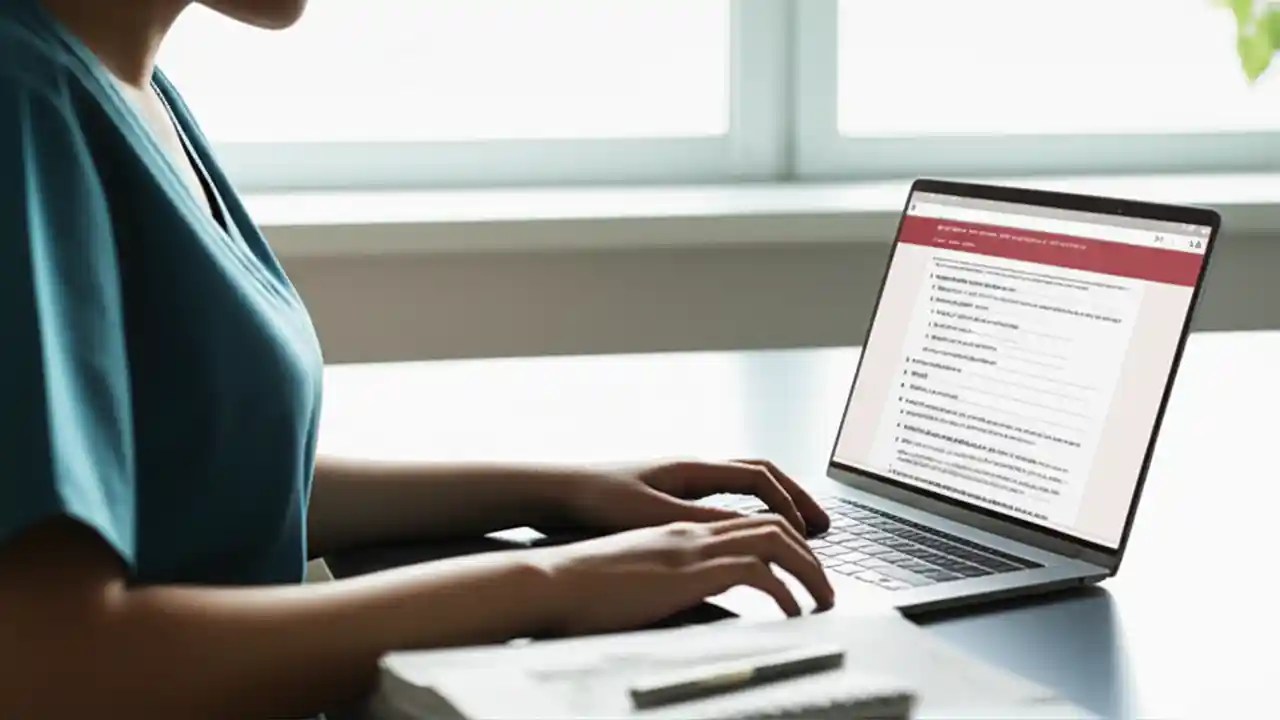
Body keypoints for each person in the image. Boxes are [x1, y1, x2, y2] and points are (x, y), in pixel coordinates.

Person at [0, 1, 835, 717]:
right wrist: (555, 582)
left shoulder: (127, 86)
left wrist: (563, 490)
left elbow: (208, 480)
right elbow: (55, 665)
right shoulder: (23, 101)